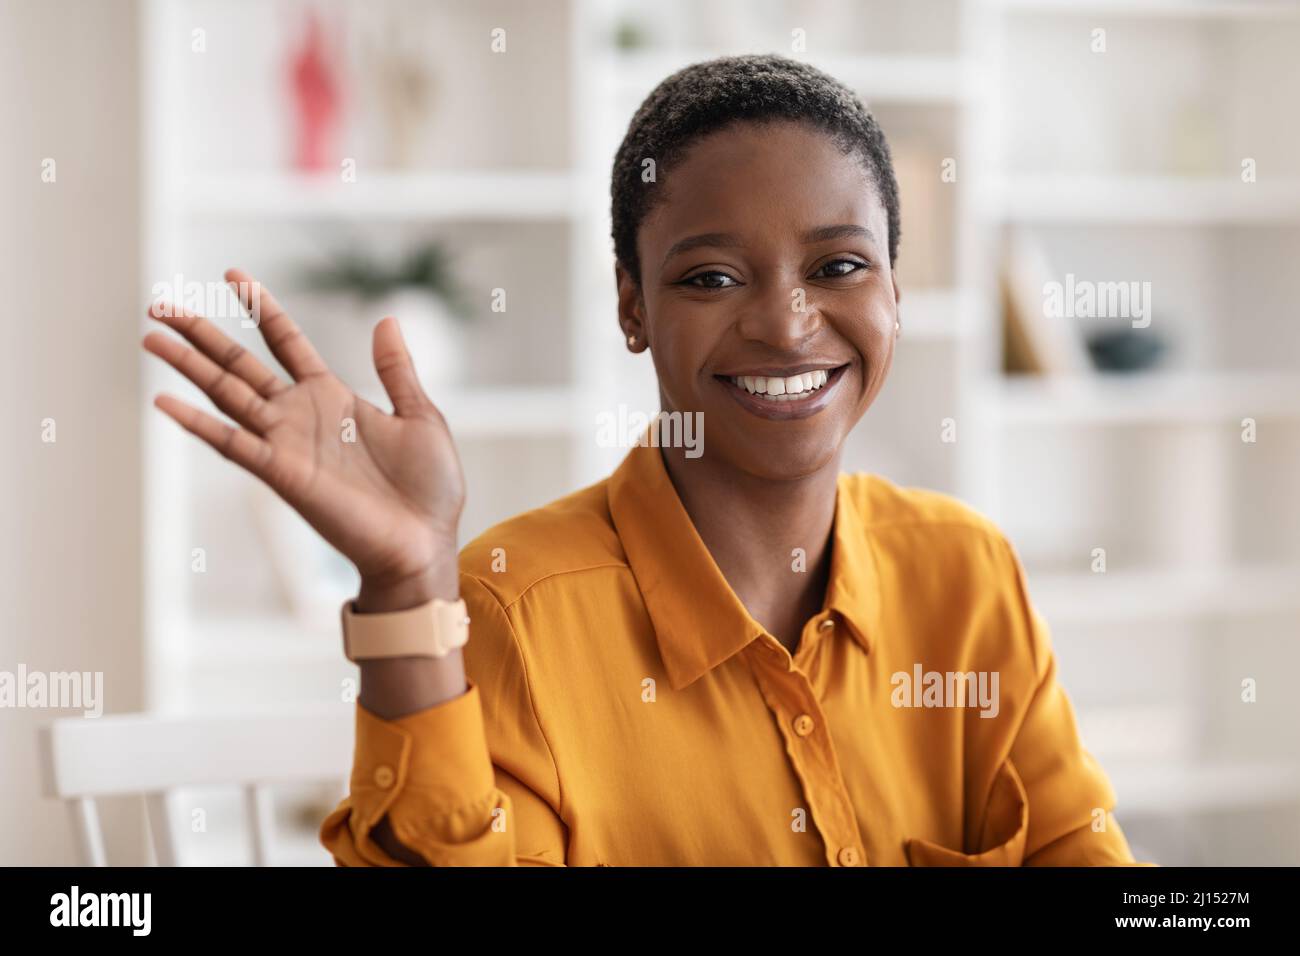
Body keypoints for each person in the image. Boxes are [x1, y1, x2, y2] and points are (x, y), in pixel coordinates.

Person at [141, 54, 1139, 866]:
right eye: (710, 276)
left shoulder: (964, 569)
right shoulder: (512, 612)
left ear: (894, 291)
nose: (789, 325)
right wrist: (404, 581)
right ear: (632, 307)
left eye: (838, 265)